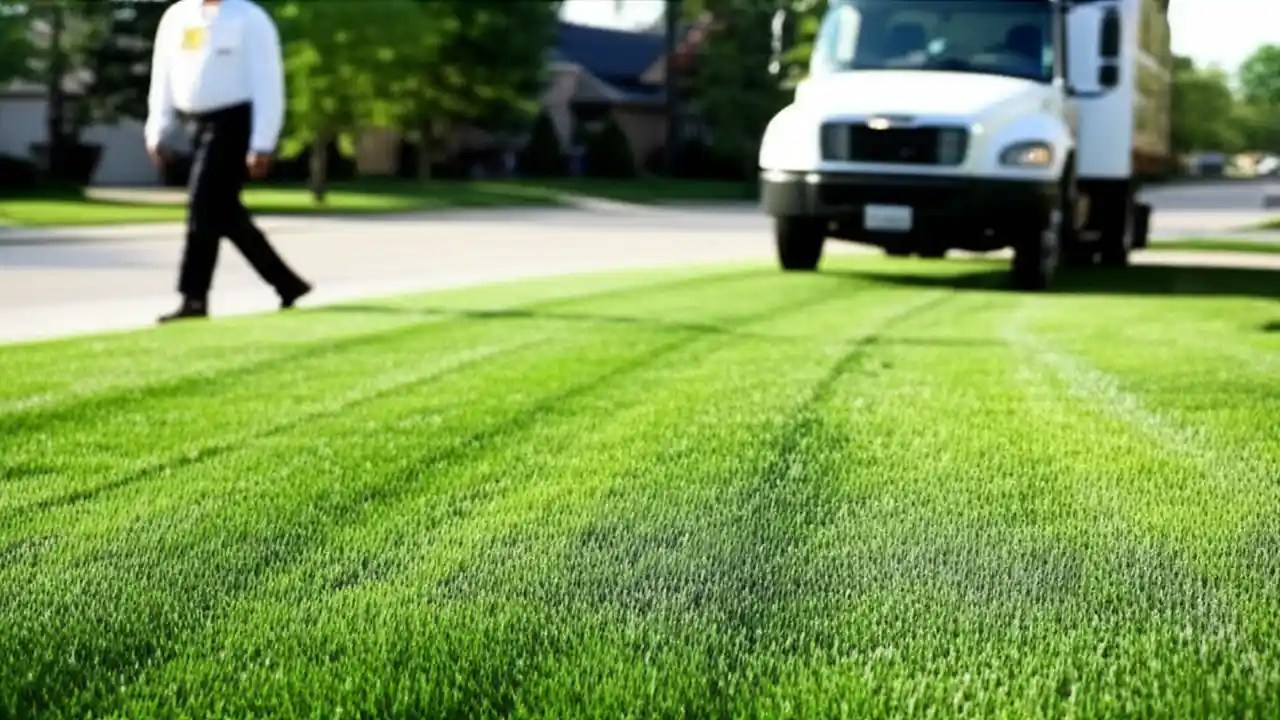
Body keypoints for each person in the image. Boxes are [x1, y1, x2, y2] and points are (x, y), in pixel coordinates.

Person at [145, 0, 311, 323]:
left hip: (235, 122)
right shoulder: (177, 16)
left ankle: (193, 297)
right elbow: (162, 76)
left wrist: (263, 141)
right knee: (223, 212)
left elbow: (268, 83)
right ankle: (287, 283)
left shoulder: (250, 18)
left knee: (202, 206)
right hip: (195, 122)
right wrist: (157, 130)